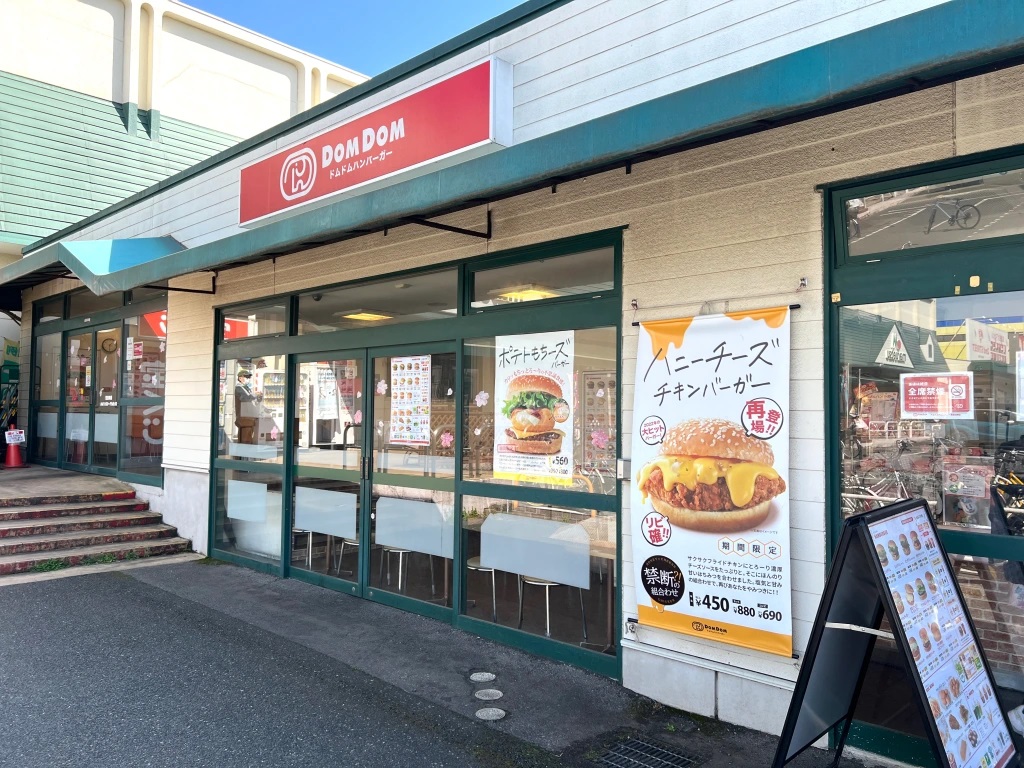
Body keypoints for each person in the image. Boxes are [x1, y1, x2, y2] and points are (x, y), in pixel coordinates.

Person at [234, 370, 262, 444]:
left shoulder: (246, 388)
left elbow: (252, 399)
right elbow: (246, 398)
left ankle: (245, 453)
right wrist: (255, 395)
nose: (248, 379)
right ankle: (243, 453)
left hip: (249, 416)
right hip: (244, 416)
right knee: (245, 438)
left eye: (249, 377)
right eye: (246, 377)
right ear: (240, 378)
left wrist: (258, 397)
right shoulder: (239, 388)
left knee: (248, 436)